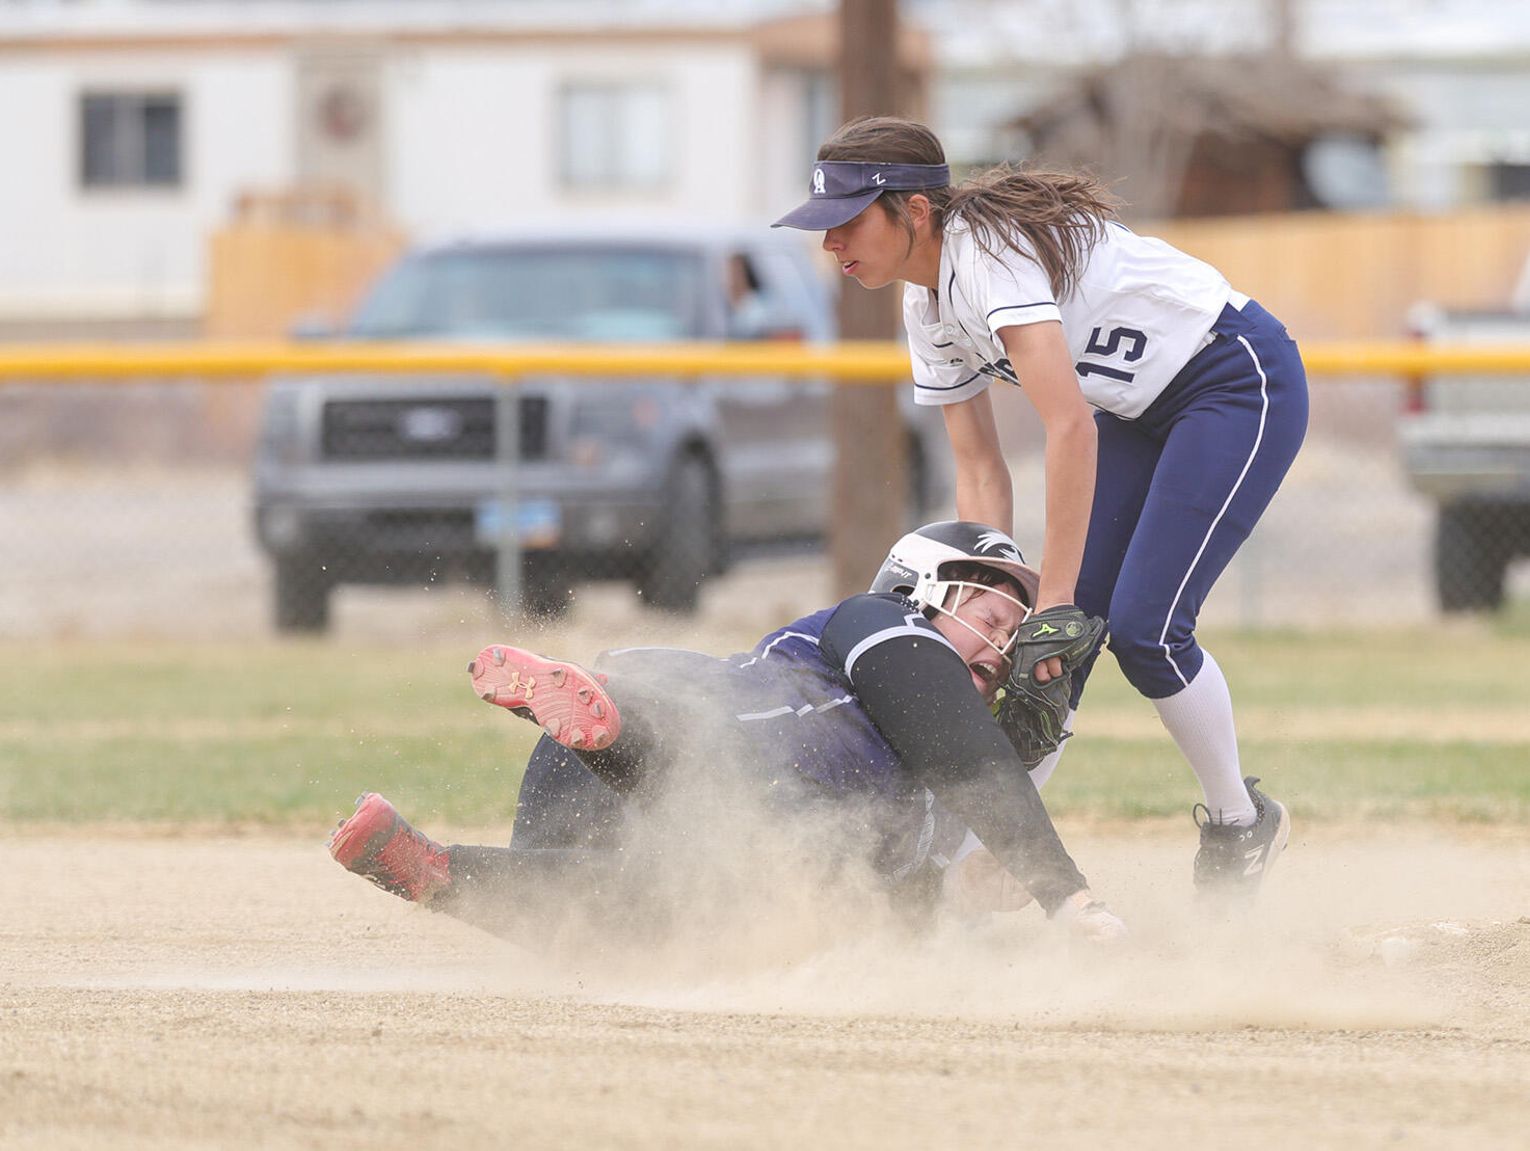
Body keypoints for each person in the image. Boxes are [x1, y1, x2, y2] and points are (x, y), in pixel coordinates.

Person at [773, 117, 1304, 896]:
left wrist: (1051, 598)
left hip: (1231, 379)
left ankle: (1240, 822)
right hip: (1135, 411)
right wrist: (988, 600)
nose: (831, 244)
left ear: (915, 210)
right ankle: (965, 868)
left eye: (848, 220)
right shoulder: (925, 305)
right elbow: (981, 470)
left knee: (1145, 628)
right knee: (1042, 658)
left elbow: (1068, 427)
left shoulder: (986, 257)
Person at [328, 521, 1126, 943]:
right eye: (990, 618)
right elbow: (965, 755)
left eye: (1013, 643)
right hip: (683, 737)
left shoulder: (934, 813)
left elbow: (867, 909)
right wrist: (1067, 895)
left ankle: (426, 866)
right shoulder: (880, 623)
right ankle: (613, 730)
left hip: (634, 834)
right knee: (740, 801)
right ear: (922, 588)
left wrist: (952, 895)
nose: (1001, 650)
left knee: (656, 934)